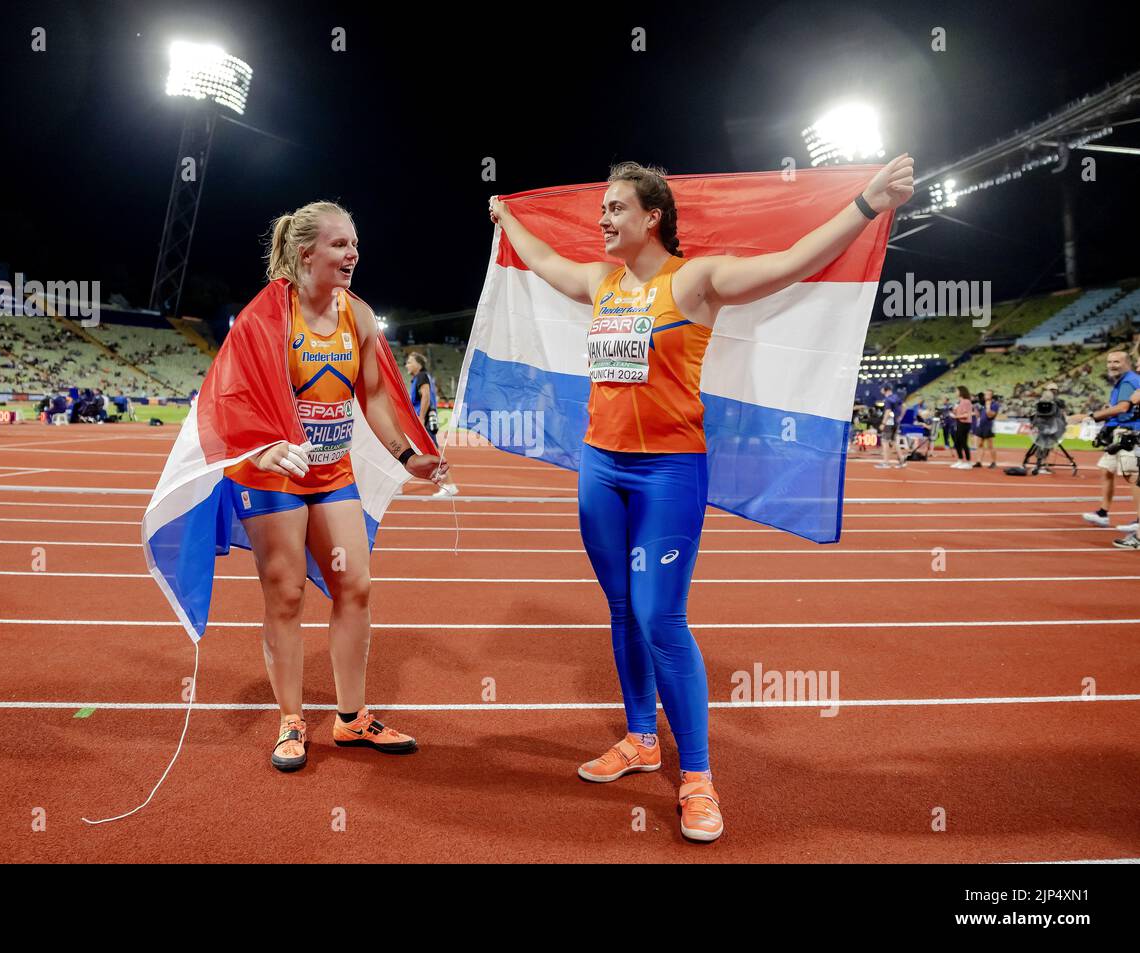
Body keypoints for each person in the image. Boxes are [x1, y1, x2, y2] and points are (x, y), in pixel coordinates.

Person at [489, 153, 914, 842]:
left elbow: (795, 259)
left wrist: (866, 202)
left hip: (668, 473)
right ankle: (640, 738)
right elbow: (541, 261)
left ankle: (698, 775)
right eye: (601, 208)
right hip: (600, 467)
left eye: (615, 207)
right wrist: (508, 217)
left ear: (652, 216)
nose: (602, 217)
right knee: (623, 608)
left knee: (661, 615)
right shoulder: (600, 280)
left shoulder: (697, 280)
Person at [221, 200, 448, 771]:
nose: (353, 253)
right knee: (287, 592)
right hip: (273, 472)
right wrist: (268, 446)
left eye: (354, 243)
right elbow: (233, 394)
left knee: (356, 585)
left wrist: (406, 456)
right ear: (306, 252)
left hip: (333, 471)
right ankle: (292, 721)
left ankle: (351, 719)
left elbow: (372, 395)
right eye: (340, 244)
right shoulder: (268, 315)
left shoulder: (359, 316)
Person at [1076, 350, 1140, 540]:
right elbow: (1122, 409)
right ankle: (1103, 513)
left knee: (1133, 476)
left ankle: (1138, 521)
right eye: (1109, 362)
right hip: (1121, 431)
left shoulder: (1129, 381)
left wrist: (1092, 417)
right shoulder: (1124, 382)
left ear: (1125, 363)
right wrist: (1108, 427)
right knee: (1107, 470)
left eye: (1116, 362)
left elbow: (1123, 408)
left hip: (1129, 432)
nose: (1111, 365)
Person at [405, 351, 440, 445]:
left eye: (409, 362)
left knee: (427, 448)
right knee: (430, 447)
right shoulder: (422, 377)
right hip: (427, 418)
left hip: (424, 420)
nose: (406, 365)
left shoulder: (421, 376)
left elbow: (426, 396)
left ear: (418, 364)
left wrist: (421, 417)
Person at [875, 383, 906, 469]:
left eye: (882, 388)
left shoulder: (887, 399)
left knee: (884, 441)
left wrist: (883, 423)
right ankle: (902, 460)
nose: (881, 390)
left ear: (886, 389)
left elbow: (888, 411)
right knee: (894, 441)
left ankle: (886, 463)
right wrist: (900, 417)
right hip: (896, 422)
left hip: (889, 423)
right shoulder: (896, 397)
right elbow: (904, 406)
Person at [973, 391, 1000, 468]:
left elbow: (990, 415)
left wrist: (988, 406)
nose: (985, 395)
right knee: (980, 444)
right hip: (981, 425)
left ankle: (994, 462)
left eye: (987, 394)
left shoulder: (995, 404)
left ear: (991, 396)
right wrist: (976, 410)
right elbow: (978, 416)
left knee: (990, 445)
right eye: (985, 394)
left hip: (989, 425)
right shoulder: (983, 404)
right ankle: (979, 461)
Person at [950, 385, 973, 469]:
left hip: (964, 424)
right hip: (959, 423)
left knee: (963, 442)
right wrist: (954, 412)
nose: (956, 392)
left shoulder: (966, 402)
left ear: (961, 392)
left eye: (957, 391)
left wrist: (955, 416)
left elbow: (966, 415)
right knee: (957, 442)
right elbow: (959, 413)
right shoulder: (959, 402)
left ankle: (968, 462)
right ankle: (960, 460)